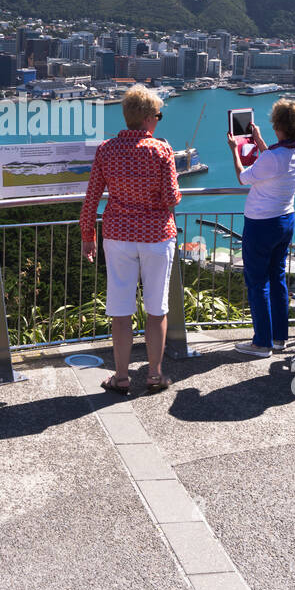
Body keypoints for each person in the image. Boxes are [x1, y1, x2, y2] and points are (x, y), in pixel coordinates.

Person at [80, 85, 182, 393]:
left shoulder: (106, 150)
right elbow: (171, 198)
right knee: (156, 308)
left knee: (121, 309)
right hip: (157, 237)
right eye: (159, 116)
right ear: (150, 118)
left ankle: (121, 377)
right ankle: (154, 374)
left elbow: (92, 197)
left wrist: (88, 235)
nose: (159, 121)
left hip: (118, 236)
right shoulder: (161, 150)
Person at [227, 99, 295, 357]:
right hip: (285, 220)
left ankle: (261, 342)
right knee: (277, 279)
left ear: (278, 125)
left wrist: (234, 149)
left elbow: (243, 176)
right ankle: (279, 338)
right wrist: (260, 140)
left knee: (257, 281)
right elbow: (272, 160)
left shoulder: (273, 158)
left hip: (260, 224)